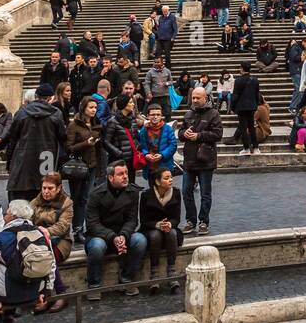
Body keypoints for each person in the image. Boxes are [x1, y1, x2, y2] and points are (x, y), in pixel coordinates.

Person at [0, 197, 57, 323]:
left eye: (7, 213)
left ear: (12, 217)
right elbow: (52, 265)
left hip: (7, 296)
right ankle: (9, 317)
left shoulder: (0, 238)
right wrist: (47, 292)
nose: (5, 216)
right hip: (34, 294)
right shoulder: (42, 235)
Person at [84, 161, 146, 299]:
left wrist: (123, 235)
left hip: (122, 234)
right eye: (120, 174)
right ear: (110, 177)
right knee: (97, 246)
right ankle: (94, 285)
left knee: (140, 240)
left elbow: (132, 220)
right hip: (101, 235)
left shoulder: (132, 192)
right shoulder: (96, 194)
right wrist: (113, 237)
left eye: (126, 173)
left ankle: (127, 278)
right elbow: (92, 224)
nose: (125, 177)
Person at [6, 85, 66, 202]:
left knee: (20, 203)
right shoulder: (56, 113)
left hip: (22, 160)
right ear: (50, 98)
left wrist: (9, 161)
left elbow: (12, 137)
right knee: (46, 196)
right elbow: (62, 137)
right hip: (46, 158)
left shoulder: (22, 112)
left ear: (36, 96)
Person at [179, 86, 223, 236]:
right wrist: (183, 133)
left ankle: (204, 221)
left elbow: (218, 134)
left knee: (205, 193)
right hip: (189, 158)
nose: (195, 100)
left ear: (206, 98)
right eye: (193, 97)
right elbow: (180, 133)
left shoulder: (214, 114)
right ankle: (190, 220)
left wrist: (199, 136)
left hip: (205, 159)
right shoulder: (188, 113)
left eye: (198, 98)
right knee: (186, 192)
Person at [30, 172, 73, 312]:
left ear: (59, 188)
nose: (46, 192)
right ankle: (39, 296)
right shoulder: (36, 201)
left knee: (46, 256)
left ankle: (58, 293)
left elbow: (63, 226)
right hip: (38, 241)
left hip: (60, 242)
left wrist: (47, 231)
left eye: (50, 188)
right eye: (44, 188)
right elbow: (26, 217)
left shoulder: (67, 203)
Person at [65, 97, 103, 242]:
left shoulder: (96, 123)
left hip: (92, 165)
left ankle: (84, 228)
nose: (93, 110)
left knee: (87, 198)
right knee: (77, 198)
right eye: (91, 107)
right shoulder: (74, 125)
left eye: (95, 107)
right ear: (83, 108)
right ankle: (76, 229)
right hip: (78, 167)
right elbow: (69, 148)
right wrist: (86, 143)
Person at [141, 166, 183, 294]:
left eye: (171, 177)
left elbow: (177, 218)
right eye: (166, 178)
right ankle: (154, 274)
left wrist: (170, 224)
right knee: (155, 236)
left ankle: (171, 271)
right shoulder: (146, 195)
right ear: (157, 181)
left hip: (169, 230)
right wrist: (157, 225)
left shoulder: (176, 193)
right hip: (151, 229)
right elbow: (143, 221)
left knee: (172, 233)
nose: (171, 180)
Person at [137, 104, 178, 182]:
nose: (155, 117)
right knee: (152, 190)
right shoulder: (144, 129)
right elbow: (141, 145)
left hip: (164, 166)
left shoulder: (168, 129)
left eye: (158, 114)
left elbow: (173, 145)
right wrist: (146, 154)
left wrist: (162, 155)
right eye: (153, 114)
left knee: (166, 190)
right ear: (148, 116)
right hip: (150, 166)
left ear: (161, 115)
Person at [231, 62, 262, 156]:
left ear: (242, 68)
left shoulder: (238, 81)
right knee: (251, 127)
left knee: (243, 128)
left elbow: (235, 96)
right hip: (252, 106)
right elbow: (257, 94)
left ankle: (247, 148)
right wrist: (256, 105)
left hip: (241, 107)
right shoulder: (255, 80)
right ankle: (256, 148)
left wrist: (232, 107)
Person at [143, 53, 173, 122]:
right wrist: (148, 92)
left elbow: (171, 81)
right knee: (155, 113)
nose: (156, 64)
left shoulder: (167, 71)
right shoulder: (150, 72)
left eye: (158, 62)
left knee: (168, 113)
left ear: (162, 62)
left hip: (165, 96)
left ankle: (167, 125)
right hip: (155, 97)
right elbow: (147, 83)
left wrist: (167, 83)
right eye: (155, 62)